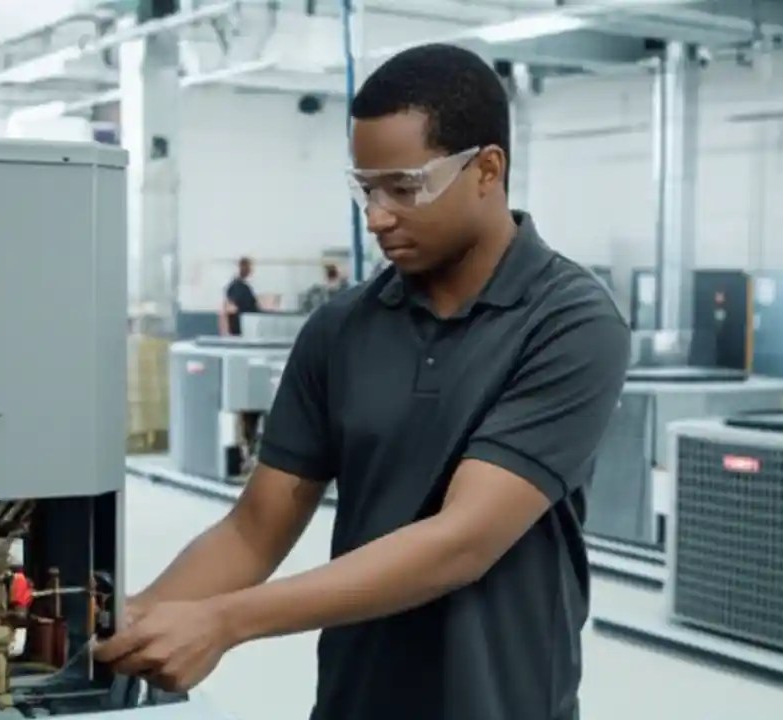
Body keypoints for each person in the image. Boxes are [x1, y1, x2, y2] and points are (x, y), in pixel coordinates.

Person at [94, 43, 630, 720]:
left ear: (487, 169)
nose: (376, 216)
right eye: (366, 189)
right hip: (356, 700)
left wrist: (227, 621)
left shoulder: (569, 321)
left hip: (502, 701)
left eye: (404, 187)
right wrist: (131, 622)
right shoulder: (341, 328)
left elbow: (462, 540)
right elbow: (254, 530)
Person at [220, 256, 259, 336]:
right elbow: (233, 308)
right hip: (241, 326)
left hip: (243, 324)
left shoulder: (239, 287)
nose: (250, 271)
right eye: (248, 268)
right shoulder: (238, 288)